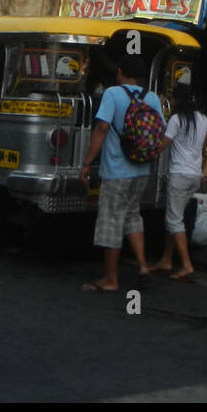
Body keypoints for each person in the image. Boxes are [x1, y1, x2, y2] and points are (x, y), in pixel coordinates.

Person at [78, 46, 164, 292]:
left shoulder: (113, 94)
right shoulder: (152, 97)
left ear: (119, 72)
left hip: (117, 171)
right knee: (132, 217)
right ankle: (143, 267)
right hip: (141, 170)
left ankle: (110, 279)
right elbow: (161, 132)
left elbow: (102, 129)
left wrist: (86, 164)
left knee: (111, 221)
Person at [151, 84, 207, 282]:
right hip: (194, 177)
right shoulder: (203, 119)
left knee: (174, 220)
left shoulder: (176, 120)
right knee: (175, 215)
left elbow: (163, 144)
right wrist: (205, 169)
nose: (170, 102)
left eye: (172, 99)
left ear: (177, 100)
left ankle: (187, 265)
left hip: (179, 176)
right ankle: (166, 259)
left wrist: (145, 153)